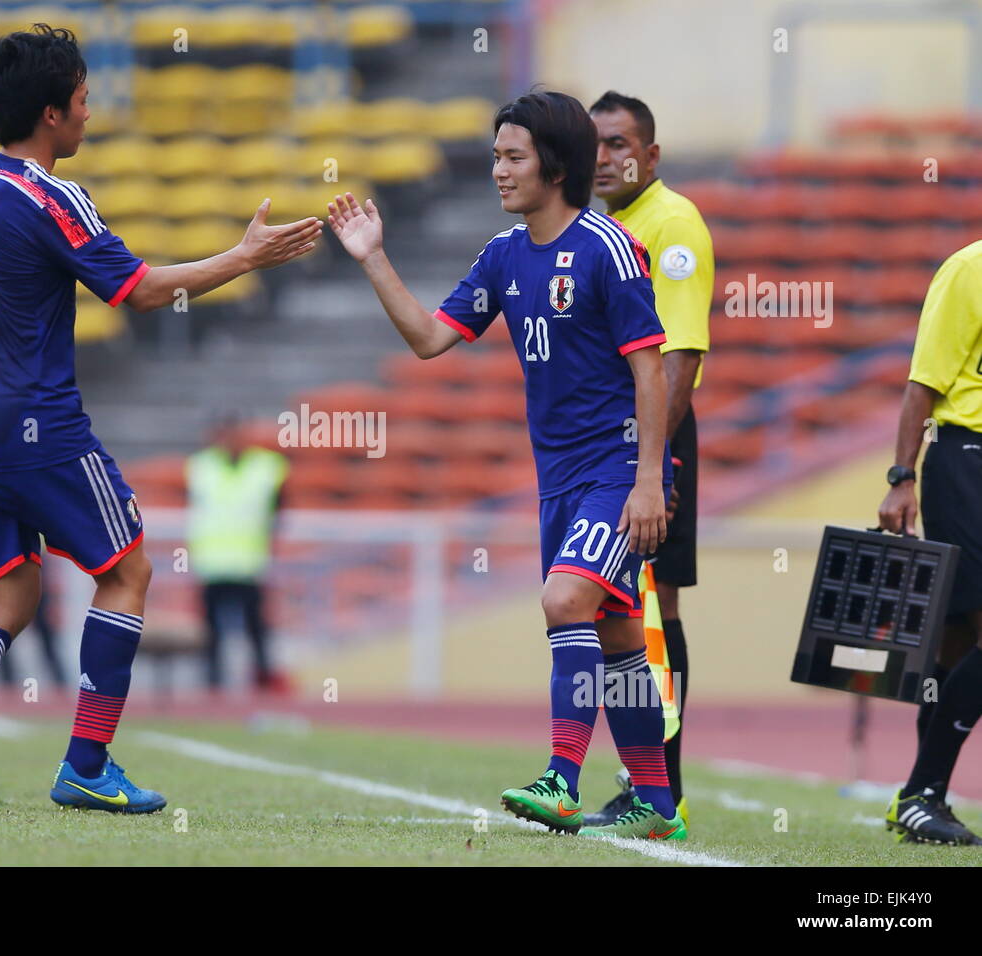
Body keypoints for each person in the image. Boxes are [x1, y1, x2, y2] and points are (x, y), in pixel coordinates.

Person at [0, 23, 321, 813]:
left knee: (7, 599)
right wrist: (244, 257)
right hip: (38, 423)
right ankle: (87, 765)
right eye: (85, 101)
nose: (92, 114)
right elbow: (139, 291)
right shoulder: (52, 196)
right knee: (126, 571)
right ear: (52, 114)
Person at [327, 89, 685, 840]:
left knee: (564, 604)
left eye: (512, 156)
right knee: (617, 636)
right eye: (496, 155)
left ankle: (561, 779)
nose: (498, 169)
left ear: (554, 165)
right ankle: (656, 806)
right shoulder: (501, 254)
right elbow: (429, 339)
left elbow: (651, 369)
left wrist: (651, 477)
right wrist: (373, 258)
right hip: (559, 480)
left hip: (619, 470)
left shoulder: (608, 247)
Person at [585, 91, 714, 827]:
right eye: (594, 144)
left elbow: (681, 357)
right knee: (620, 609)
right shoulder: (605, 224)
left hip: (652, 444)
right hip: (617, 445)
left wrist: (650, 467)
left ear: (651, 154)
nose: (605, 157)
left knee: (652, 610)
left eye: (619, 143)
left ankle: (660, 788)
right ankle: (649, 784)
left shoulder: (672, 226)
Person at [878, 240, 982, 846]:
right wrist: (901, 476)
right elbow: (924, 382)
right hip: (965, 454)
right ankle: (921, 793)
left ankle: (924, 801)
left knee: (957, 643)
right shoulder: (968, 270)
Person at [185, 415, 289, 691]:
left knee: (256, 629)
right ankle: (212, 684)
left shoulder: (267, 466)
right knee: (211, 631)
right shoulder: (200, 466)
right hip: (211, 563)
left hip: (249, 563)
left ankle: (263, 681)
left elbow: (279, 511)